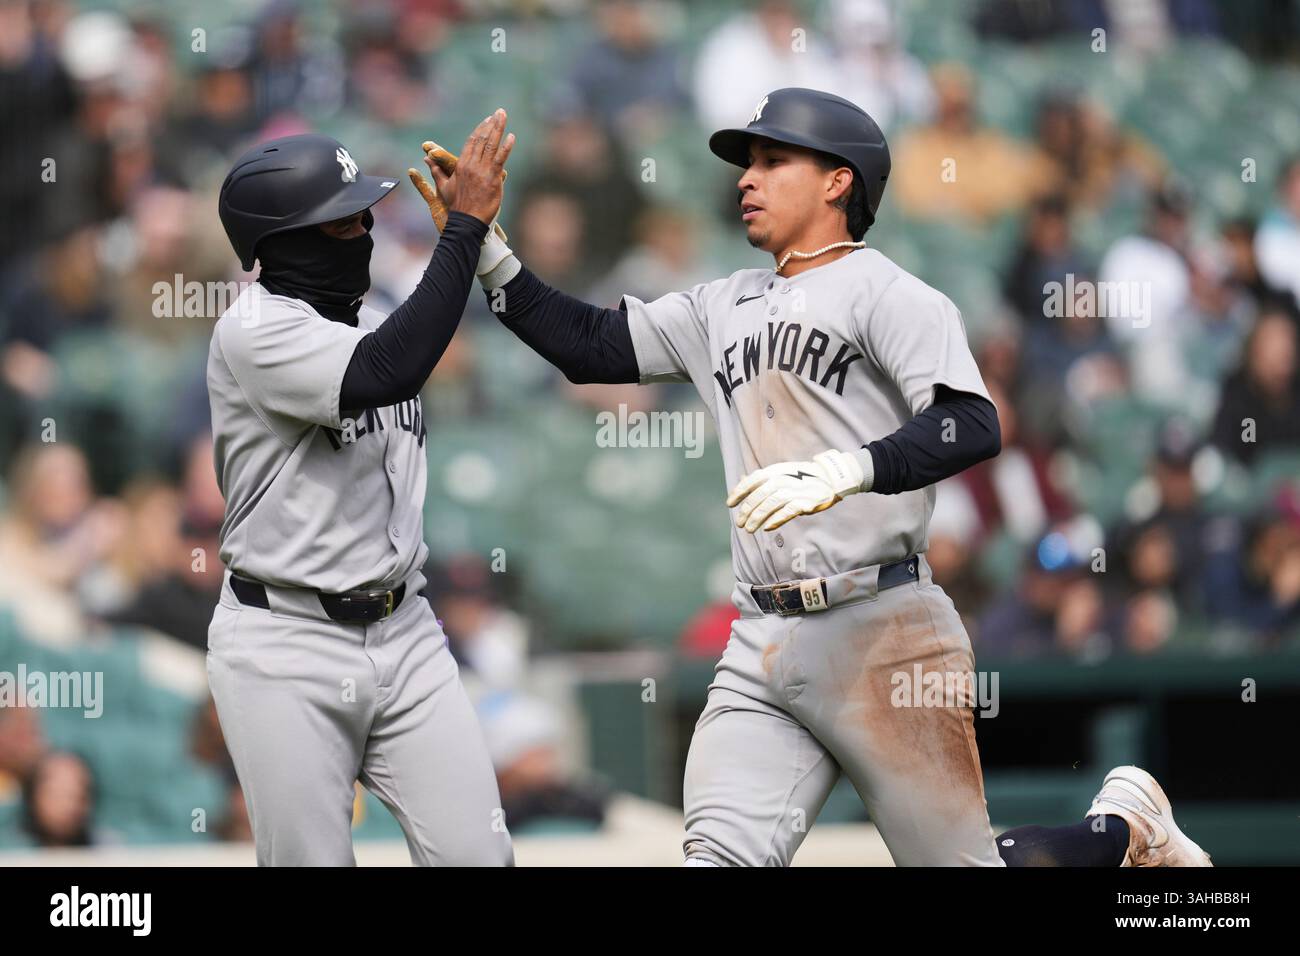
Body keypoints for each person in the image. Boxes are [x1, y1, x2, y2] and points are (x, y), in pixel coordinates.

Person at [458, 87, 1211, 867]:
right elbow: (591, 346)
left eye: (773, 159)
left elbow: (971, 422)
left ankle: (1123, 827)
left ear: (838, 181)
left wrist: (850, 469)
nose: (747, 178)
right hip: (761, 637)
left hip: (881, 628)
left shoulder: (888, 292)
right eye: (749, 162)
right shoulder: (724, 302)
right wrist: (487, 250)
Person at [207, 115, 515, 865]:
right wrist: (463, 230)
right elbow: (387, 371)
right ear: (280, 242)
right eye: (339, 224)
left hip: (405, 628)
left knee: (481, 858)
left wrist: (476, 242)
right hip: (287, 641)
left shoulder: (374, 318)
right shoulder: (254, 331)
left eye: (362, 217)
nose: (362, 233)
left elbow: (408, 343)